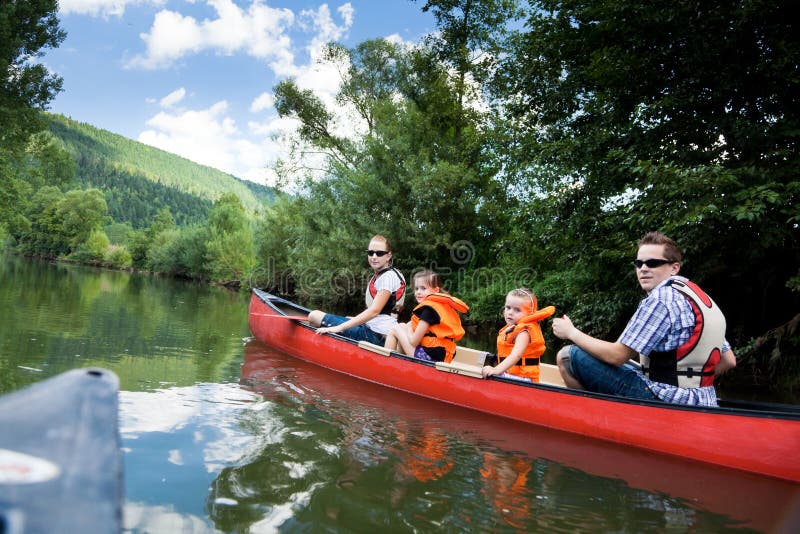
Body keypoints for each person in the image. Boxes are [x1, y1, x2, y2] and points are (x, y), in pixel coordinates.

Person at [552, 231, 736, 406]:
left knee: (568, 356)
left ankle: (595, 419)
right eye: (639, 263)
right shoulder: (700, 298)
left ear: (674, 268)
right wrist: (690, 383)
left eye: (653, 263)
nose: (644, 269)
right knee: (637, 369)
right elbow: (728, 360)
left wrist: (571, 332)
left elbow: (617, 356)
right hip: (705, 399)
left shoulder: (660, 300)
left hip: (667, 401)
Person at [308, 235, 406, 344]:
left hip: (375, 336)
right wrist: (354, 320)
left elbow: (374, 311)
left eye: (379, 253)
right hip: (377, 331)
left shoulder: (387, 277)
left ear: (388, 256)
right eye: (370, 253)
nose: (374, 256)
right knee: (347, 318)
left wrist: (338, 328)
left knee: (313, 316)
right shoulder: (392, 273)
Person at [384, 270, 468, 363]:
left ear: (436, 290)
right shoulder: (439, 306)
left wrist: (409, 328)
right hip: (440, 356)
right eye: (416, 289)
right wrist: (407, 327)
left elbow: (414, 341)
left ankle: (386, 364)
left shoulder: (429, 310)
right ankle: (400, 364)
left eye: (423, 288)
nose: (418, 292)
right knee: (402, 326)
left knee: (395, 329)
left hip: (429, 359)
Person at [482, 288, 556, 382]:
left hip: (523, 379)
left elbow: (516, 355)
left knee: (486, 371)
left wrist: (496, 370)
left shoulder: (524, 332)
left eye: (517, 310)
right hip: (513, 375)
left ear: (529, 313)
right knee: (486, 369)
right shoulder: (512, 328)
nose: (510, 312)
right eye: (508, 308)